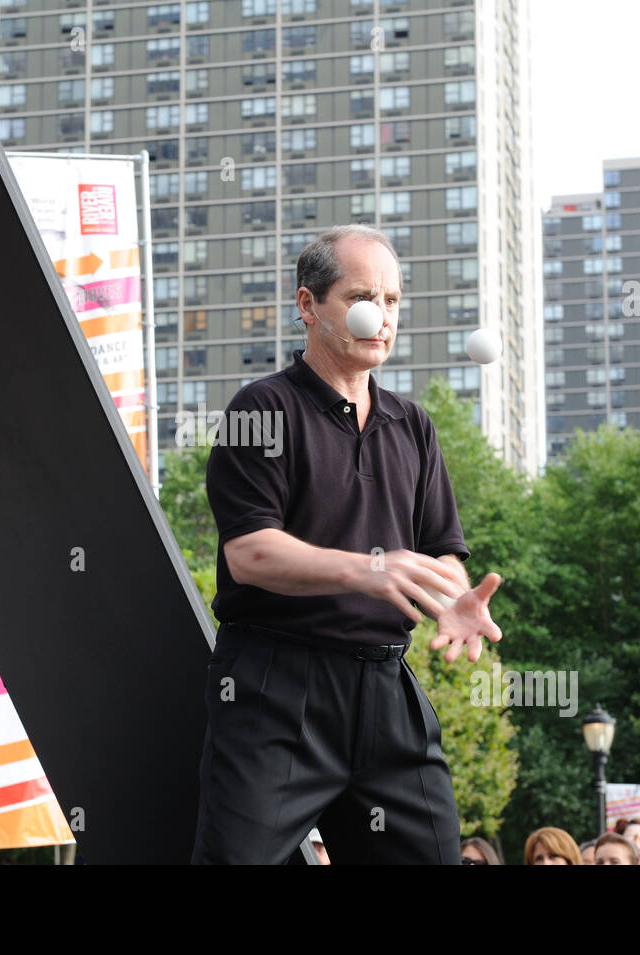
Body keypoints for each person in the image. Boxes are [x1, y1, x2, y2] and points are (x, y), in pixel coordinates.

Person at [192, 224, 503, 865]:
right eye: (363, 297)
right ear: (308, 305)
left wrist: (448, 597)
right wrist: (370, 569)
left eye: (392, 301)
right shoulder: (261, 409)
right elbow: (249, 554)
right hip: (276, 691)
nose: (382, 317)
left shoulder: (412, 425)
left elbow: (439, 551)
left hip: (386, 688)